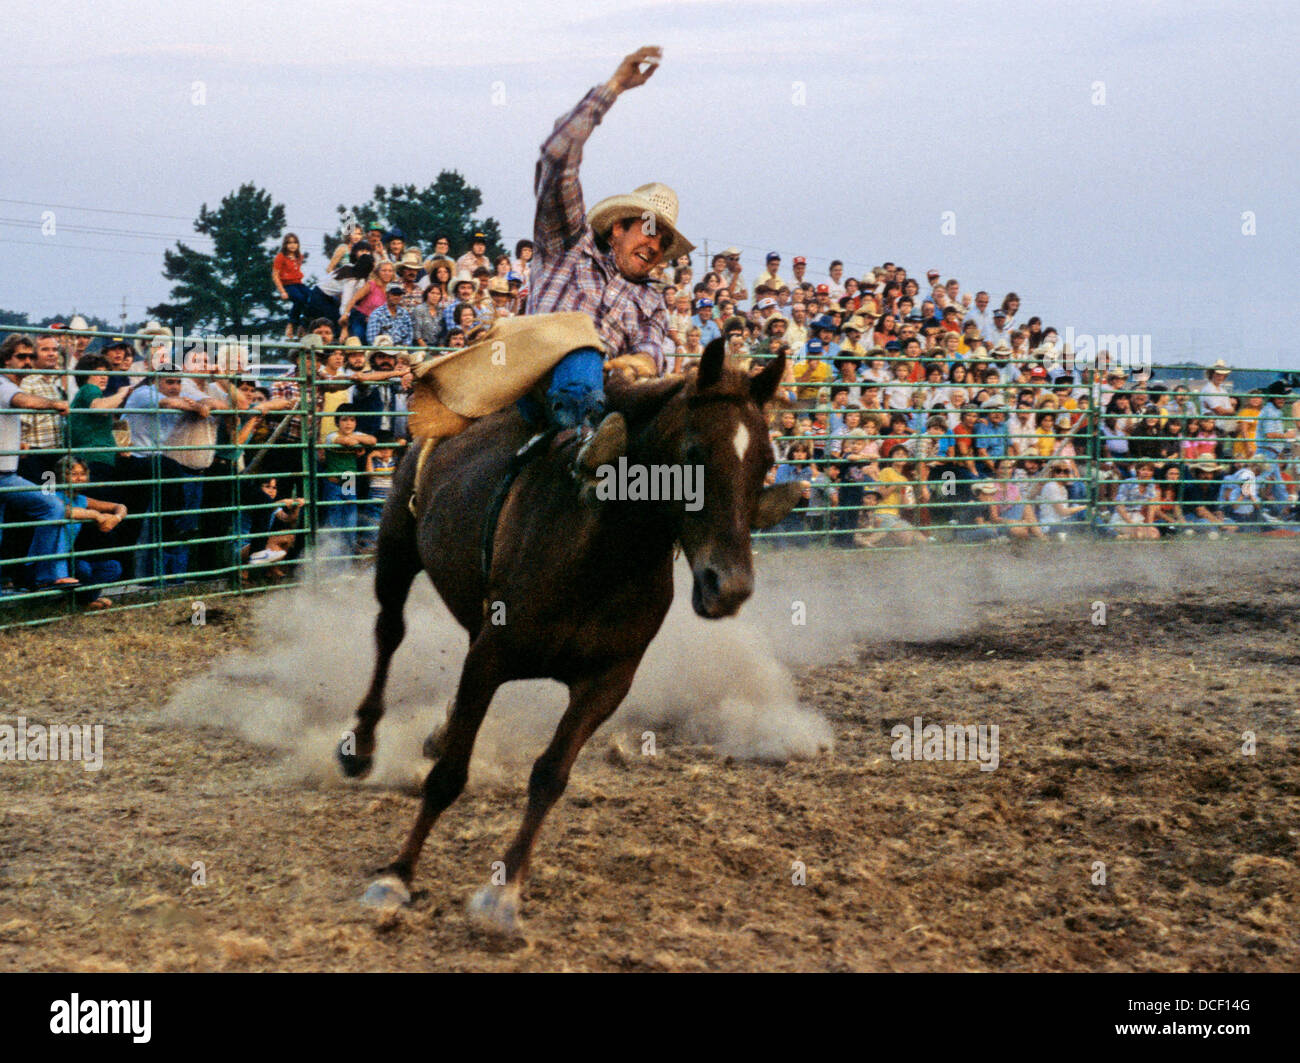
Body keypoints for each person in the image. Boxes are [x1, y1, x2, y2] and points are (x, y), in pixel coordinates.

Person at [525, 44, 694, 481]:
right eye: (649, 229)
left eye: (663, 240)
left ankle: (718, 505)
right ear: (617, 227)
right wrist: (614, 87)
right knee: (583, 347)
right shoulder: (567, 243)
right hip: (535, 375)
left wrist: (627, 369)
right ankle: (583, 444)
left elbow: (650, 358)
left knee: (675, 402)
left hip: (611, 395)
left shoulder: (654, 302)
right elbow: (557, 158)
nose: (655, 245)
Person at [0, 334, 74, 591]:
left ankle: (40, 575)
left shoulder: (47, 382)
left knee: (50, 507)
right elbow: (22, 401)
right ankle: (39, 574)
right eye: (22, 357)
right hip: (31, 462)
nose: (28, 362)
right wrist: (54, 404)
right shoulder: (5, 384)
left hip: (16, 467)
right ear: (6, 359)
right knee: (51, 506)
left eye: (31, 357)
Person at [273, 233, 311, 337]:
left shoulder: (298, 256)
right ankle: (291, 323)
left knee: (311, 298)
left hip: (298, 283)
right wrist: (282, 291)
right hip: (288, 285)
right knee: (299, 299)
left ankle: (303, 325)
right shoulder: (281, 257)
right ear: (285, 244)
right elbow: (275, 275)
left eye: (295, 242)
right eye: (289, 243)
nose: (292, 245)